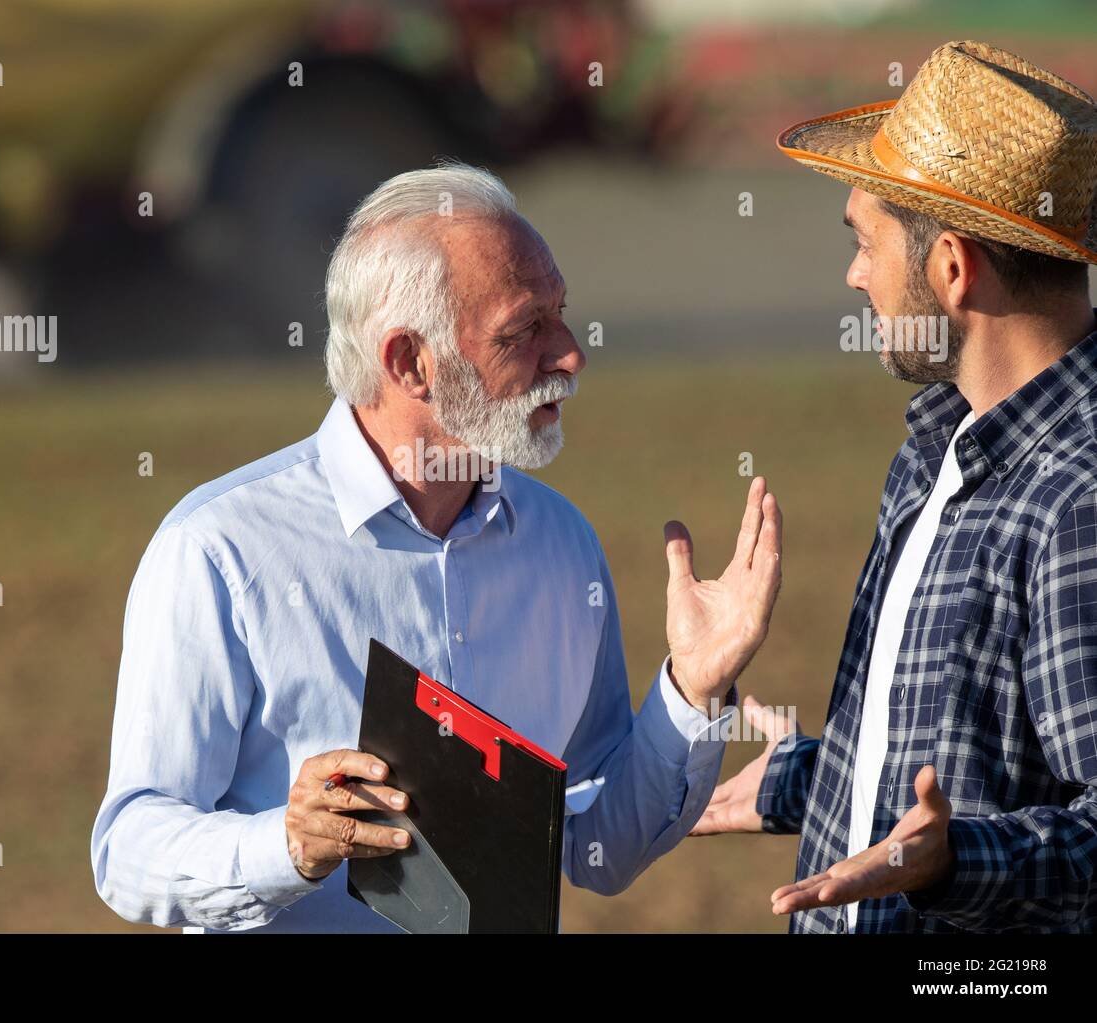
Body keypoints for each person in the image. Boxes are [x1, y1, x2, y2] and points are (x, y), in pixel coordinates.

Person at [90, 162, 783, 932]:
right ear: (407, 363)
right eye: (524, 330)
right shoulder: (220, 551)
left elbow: (595, 842)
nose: (570, 354)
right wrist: (284, 844)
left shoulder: (562, 545)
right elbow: (129, 848)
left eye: (562, 313)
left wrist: (691, 692)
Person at [693, 40, 1097, 934]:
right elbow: (957, 751)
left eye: (865, 242)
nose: (855, 274)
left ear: (951, 269)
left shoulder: (1079, 500)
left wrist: (956, 863)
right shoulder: (930, 451)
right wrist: (816, 775)